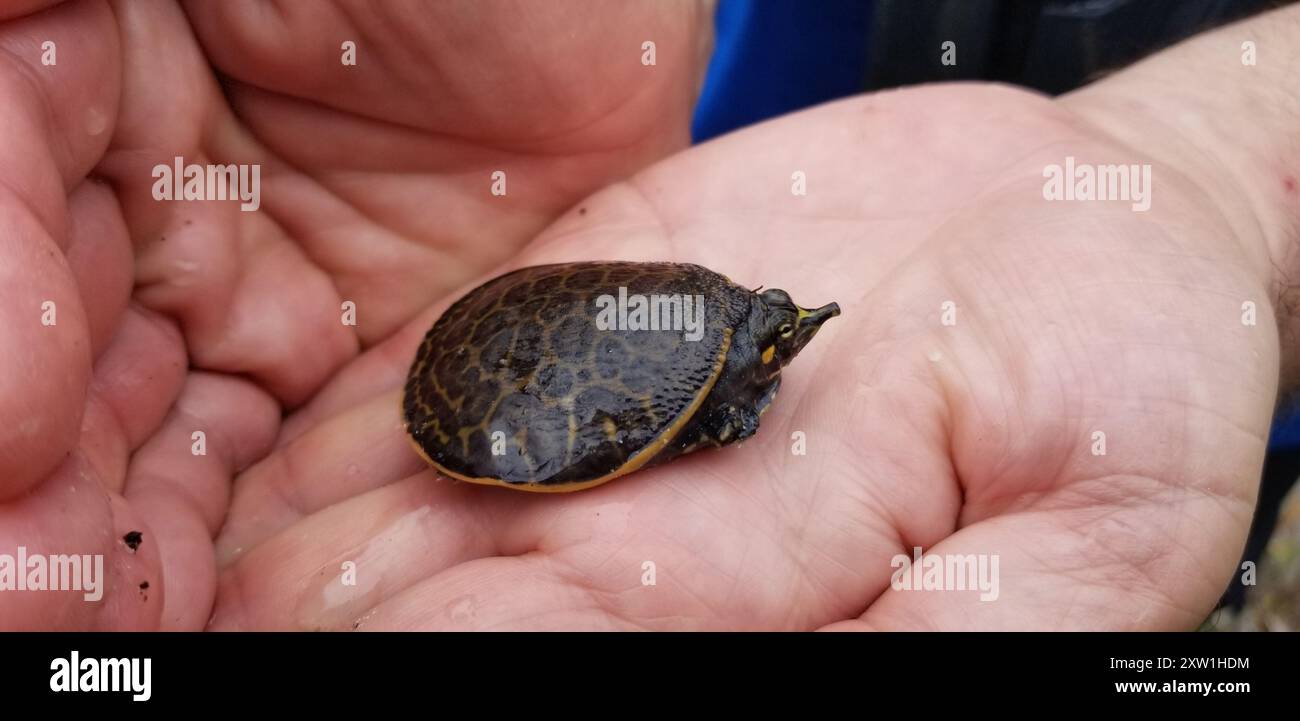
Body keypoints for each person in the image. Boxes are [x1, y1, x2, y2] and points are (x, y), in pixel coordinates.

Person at [0, 0, 1294, 630]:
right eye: (779, 334)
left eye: (782, 332)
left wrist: (1211, 163)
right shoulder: (729, 362)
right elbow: (721, 404)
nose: (792, 342)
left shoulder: (725, 328)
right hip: (487, 344)